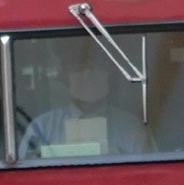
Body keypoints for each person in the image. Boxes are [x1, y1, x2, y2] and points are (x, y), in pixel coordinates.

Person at [17, 44, 147, 159]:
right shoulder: (41, 128)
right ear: (65, 75)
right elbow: (24, 175)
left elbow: (147, 177)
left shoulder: (132, 128)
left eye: (96, 65)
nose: (88, 72)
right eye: (78, 67)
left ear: (110, 73)